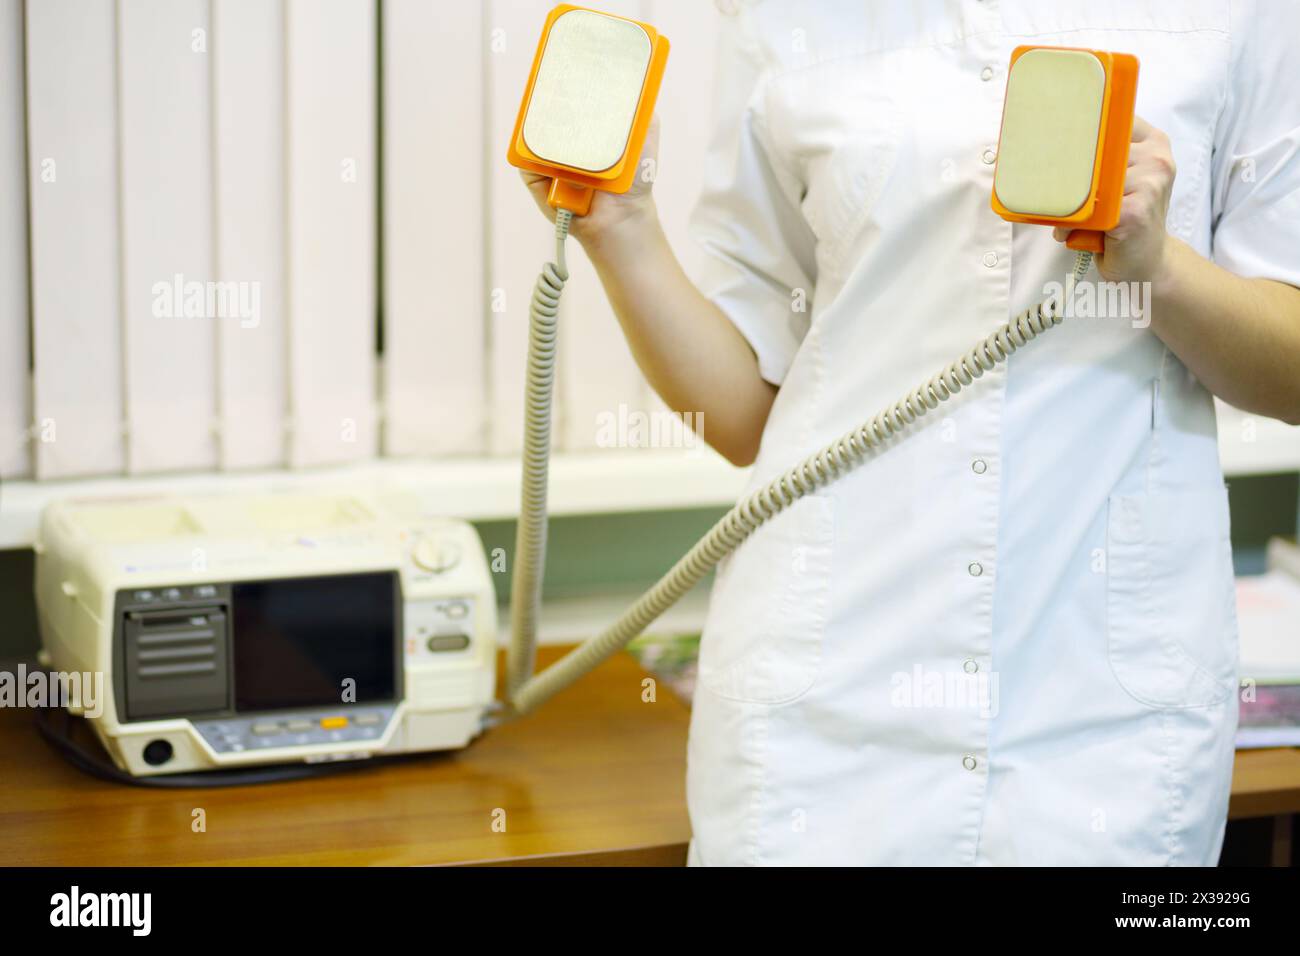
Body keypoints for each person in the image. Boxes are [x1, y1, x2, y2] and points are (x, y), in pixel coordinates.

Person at [522, 0, 1300, 865]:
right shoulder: (775, 21)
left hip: (1101, 724)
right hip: (823, 701)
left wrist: (1157, 266)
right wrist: (622, 232)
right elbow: (745, 414)